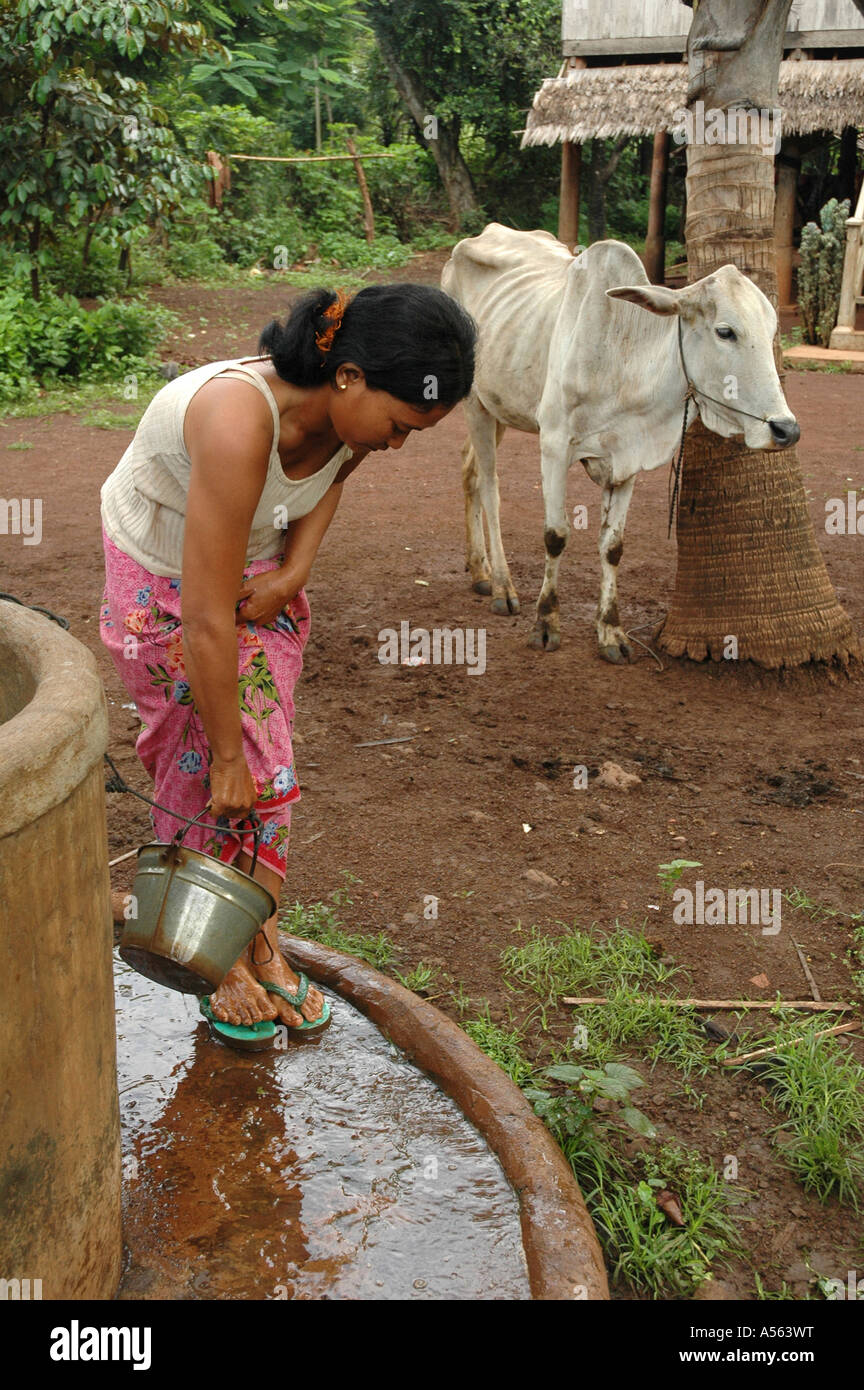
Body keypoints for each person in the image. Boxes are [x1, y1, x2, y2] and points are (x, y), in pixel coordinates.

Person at [100, 284, 477, 1048]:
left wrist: (294, 570)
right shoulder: (238, 420)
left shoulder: (348, 419)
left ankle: (257, 933)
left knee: (268, 771)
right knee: (205, 761)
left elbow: (329, 477)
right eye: (399, 426)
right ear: (348, 377)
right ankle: (210, 954)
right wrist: (226, 756)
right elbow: (203, 619)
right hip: (165, 584)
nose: (395, 445)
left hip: (249, 575)